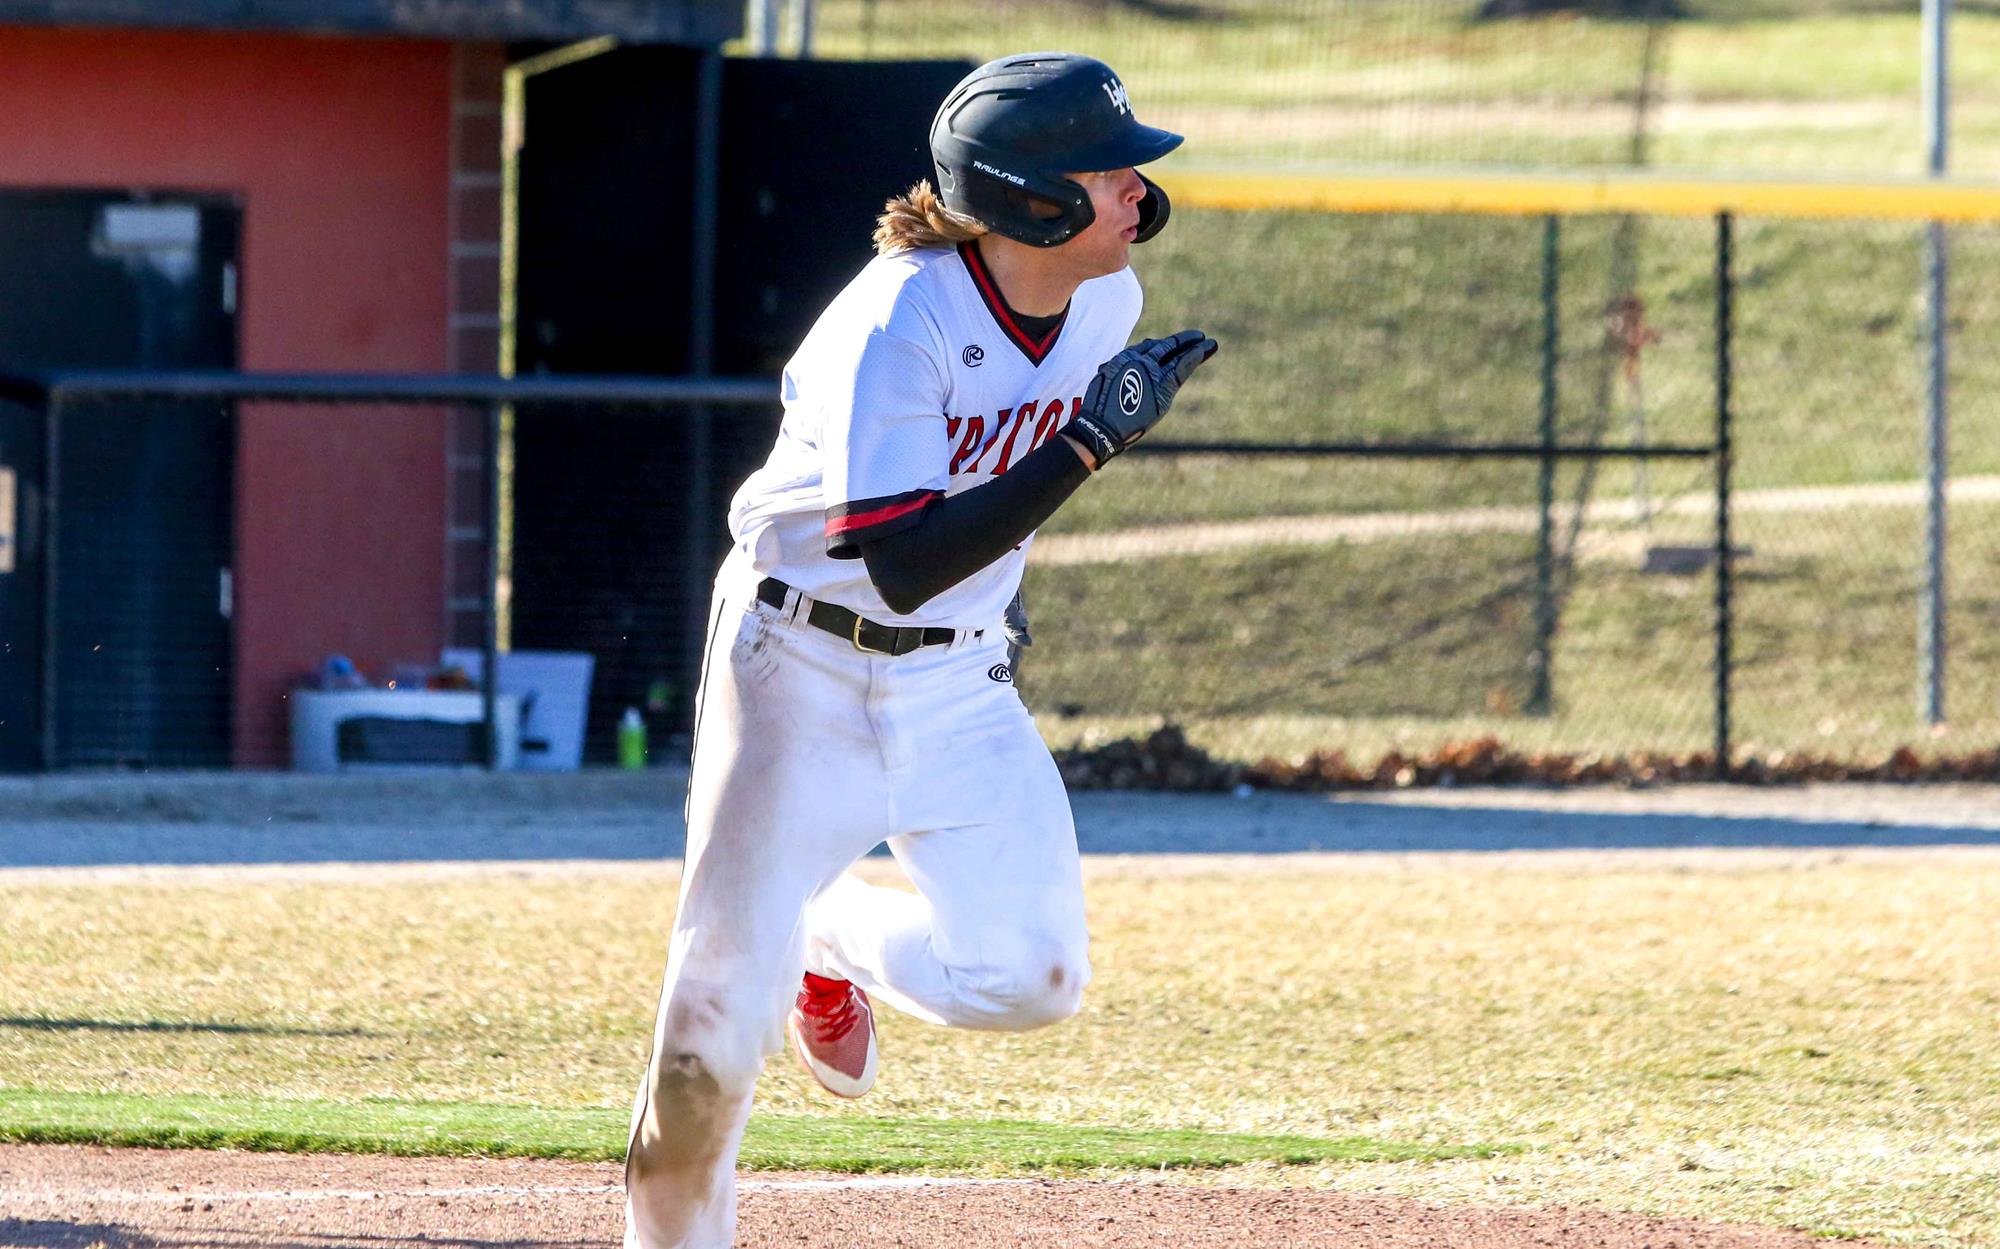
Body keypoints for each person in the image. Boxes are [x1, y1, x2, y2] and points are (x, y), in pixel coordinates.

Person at [622, 51, 1219, 1249]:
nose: (1136, 190)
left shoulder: (1105, 301)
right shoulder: (895, 320)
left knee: (1033, 977)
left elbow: (976, 521)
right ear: (1027, 202)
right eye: (1105, 171)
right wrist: (1087, 445)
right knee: (706, 1035)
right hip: (796, 667)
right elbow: (895, 560)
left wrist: (1047, 500)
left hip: (955, 673)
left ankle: (830, 929)